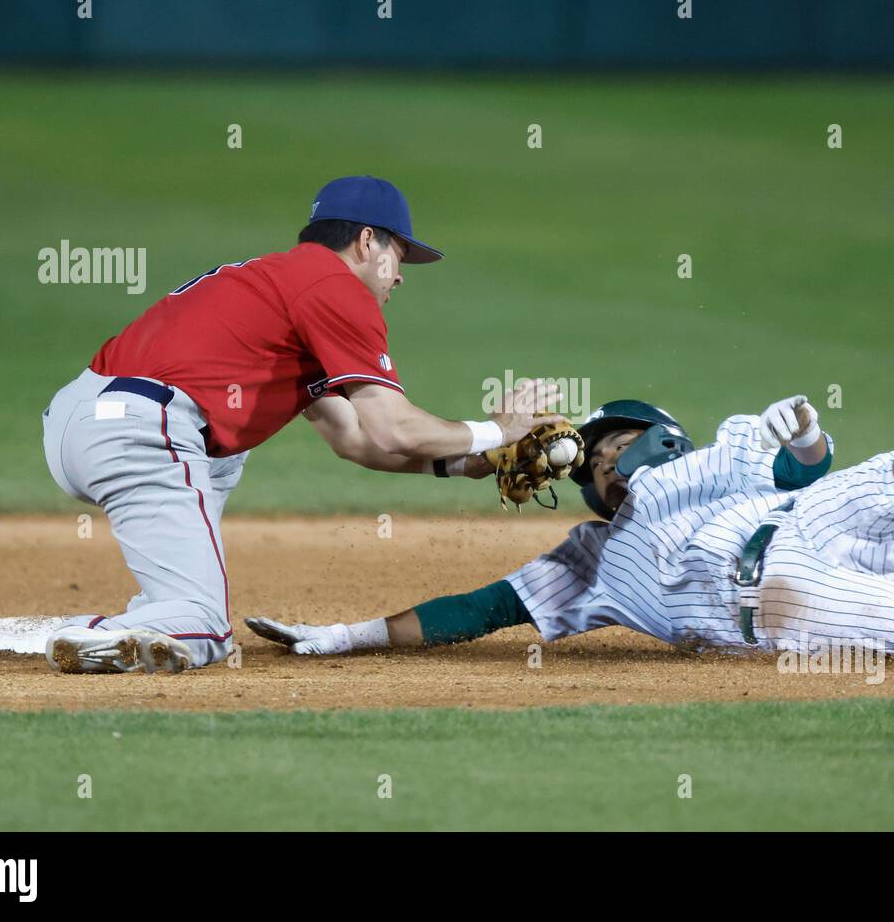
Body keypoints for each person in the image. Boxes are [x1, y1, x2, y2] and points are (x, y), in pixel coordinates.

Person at [41, 175, 560, 674]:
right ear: (365, 241)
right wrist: (499, 430)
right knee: (203, 630)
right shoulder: (335, 288)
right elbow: (393, 429)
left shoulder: (286, 281)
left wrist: (471, 464)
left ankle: (142, 617)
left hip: (97, 424)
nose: (399, 274)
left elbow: (354, 439)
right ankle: (107, 630)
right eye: (399, 254)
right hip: (140, 430)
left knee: (225, 456)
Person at [247, 395, 894, 674]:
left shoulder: (717, 460)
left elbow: (799, 477)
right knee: (874, 611)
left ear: (653, 443)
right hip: (769, 594)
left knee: (860, 485)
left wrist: (798, 439)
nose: (600, 468)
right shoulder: (587, 561)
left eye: (611, 449)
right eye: (594, 465)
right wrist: (343, 636)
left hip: (796, 520)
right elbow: (475, 608)